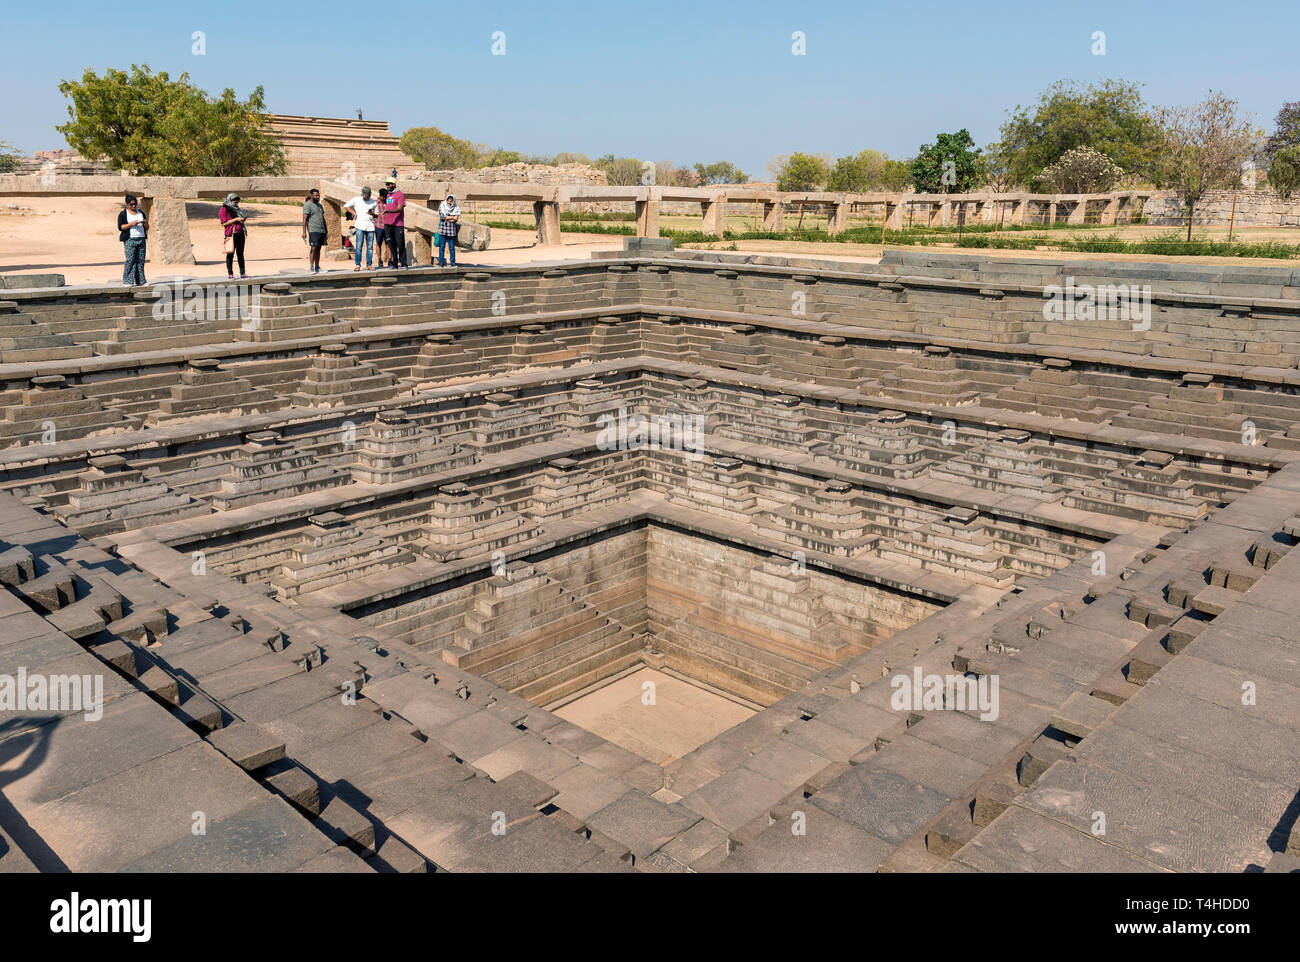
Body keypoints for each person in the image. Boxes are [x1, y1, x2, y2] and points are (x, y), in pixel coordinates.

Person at [343, 186, 378, 271]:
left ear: (370, 194)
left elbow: (377, 215)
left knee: (370, 247)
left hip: (370, 226)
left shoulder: (374, 202)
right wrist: (354, 213)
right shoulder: (357, 199)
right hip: (359, 226)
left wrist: (372, 214)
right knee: (359, 246)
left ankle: (369, 264)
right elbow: (346, 206)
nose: (365, 197)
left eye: (366, 195)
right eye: (364, 195)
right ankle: (357, 264)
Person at [117, 195, 148, 286]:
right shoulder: (123, 214)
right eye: (132, 204)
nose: (134, 206)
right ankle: (127, 281)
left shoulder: (141, 213)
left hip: (141, 239)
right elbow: (121, 227)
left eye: (135, 204)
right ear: (127, 204)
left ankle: (140, 281)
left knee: (140, 260)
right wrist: (131, 224)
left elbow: (147, 227)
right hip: (130, 239)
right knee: (130, 260)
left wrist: (145, 224)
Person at [218, 193, 248, 279]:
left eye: (237, 201)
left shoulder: (237, 209)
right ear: (229, 200)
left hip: (240, 233)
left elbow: (238, 221)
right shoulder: (224, 209)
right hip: (231, 234)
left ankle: (242, 273)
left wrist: (241, 221)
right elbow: (224, 223)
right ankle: (230, 274)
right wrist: (236, 219)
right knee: (230, 254)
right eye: (234, 200)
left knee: (240, 254)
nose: (235, 202)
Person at [382, 176, 407, 269]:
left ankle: (404, 263)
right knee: (390, 244)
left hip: (398, 224)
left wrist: (389, 211)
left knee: (400, 244)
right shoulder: (388, 194)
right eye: (386, 184)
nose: (387, 186)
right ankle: (394, 263)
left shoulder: (400, 195)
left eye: (389, 184)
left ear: (394, 184)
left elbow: (400, 208)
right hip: (388, 223)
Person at [302, 188, 328, 274]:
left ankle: (317, 267)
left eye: (318, 195)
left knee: (319, 248)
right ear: (311, 196)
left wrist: (326, 231)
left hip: (322, 230)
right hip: (313, 230)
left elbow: (323, 218)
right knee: (313, 248)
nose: (318, 197)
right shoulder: (307, 205)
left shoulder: (319, 205)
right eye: (316, 195)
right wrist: (304, 232)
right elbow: (304, 220)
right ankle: (311, 267)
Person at [436, 193, 460, 267]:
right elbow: (442, 217)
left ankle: (453, 263)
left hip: (451, 230)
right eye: (448, 201)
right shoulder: (442, 206)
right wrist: (452, 217)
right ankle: (441, 263)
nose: (449, 203)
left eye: (451, 201)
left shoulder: (456, 208)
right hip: (443, 229)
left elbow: (456, 219)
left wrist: (448, 217)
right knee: (442, 247)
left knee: (452, 248)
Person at [375, 187, 391, 267]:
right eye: (383, 197)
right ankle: (379, 260)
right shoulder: (375, 203)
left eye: (385, 197)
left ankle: (390, 260)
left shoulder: (388, 201)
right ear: (380, 196)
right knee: (378, 243)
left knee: (388, 243)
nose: (384, 198)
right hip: (378, 225)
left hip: (388, 225)